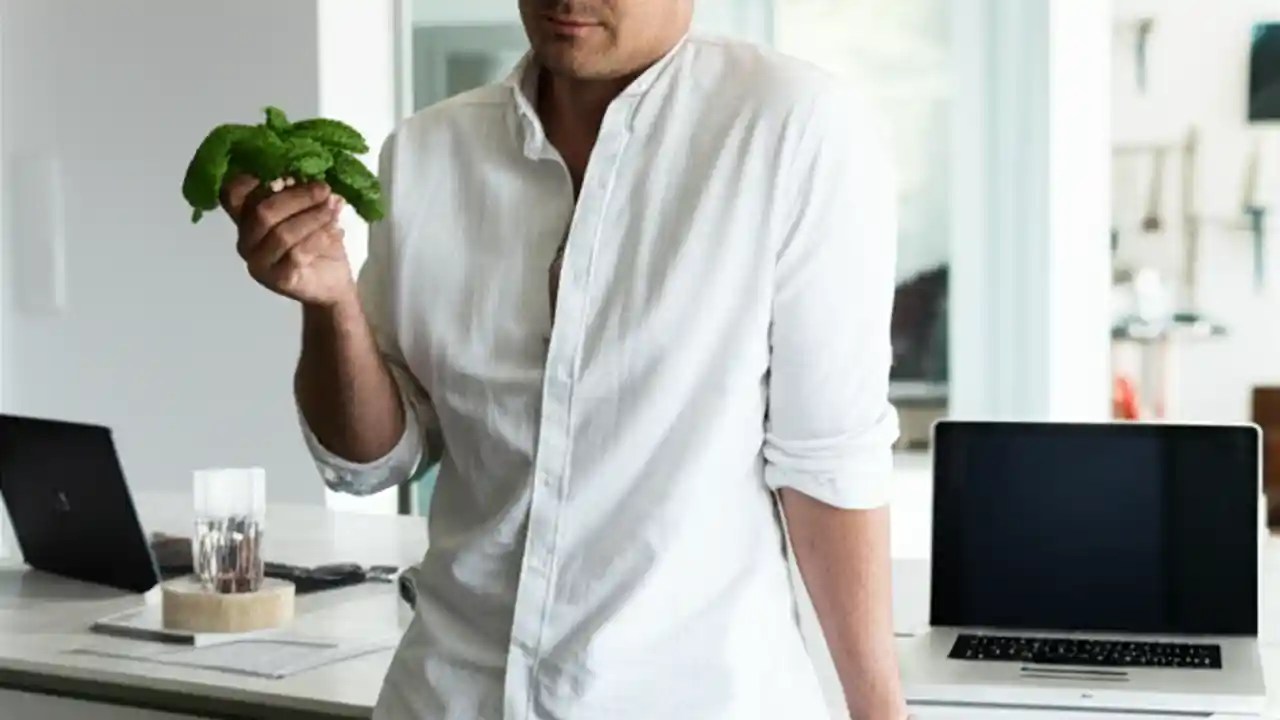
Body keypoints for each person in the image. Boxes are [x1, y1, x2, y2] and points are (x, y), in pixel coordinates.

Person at [220, 0, 907, 717]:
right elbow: (373, 460)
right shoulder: (427, 151)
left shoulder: (792, 128)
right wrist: (331, 304)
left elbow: (830, 463)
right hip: (449, 696)